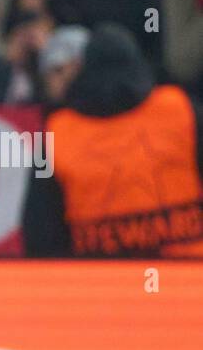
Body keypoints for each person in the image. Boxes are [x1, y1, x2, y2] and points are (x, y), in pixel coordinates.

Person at [24, 22, 203, 257]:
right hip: (187, 276)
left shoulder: (55, 134)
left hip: (102, 283)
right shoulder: (181, 110)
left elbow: (40, 233)